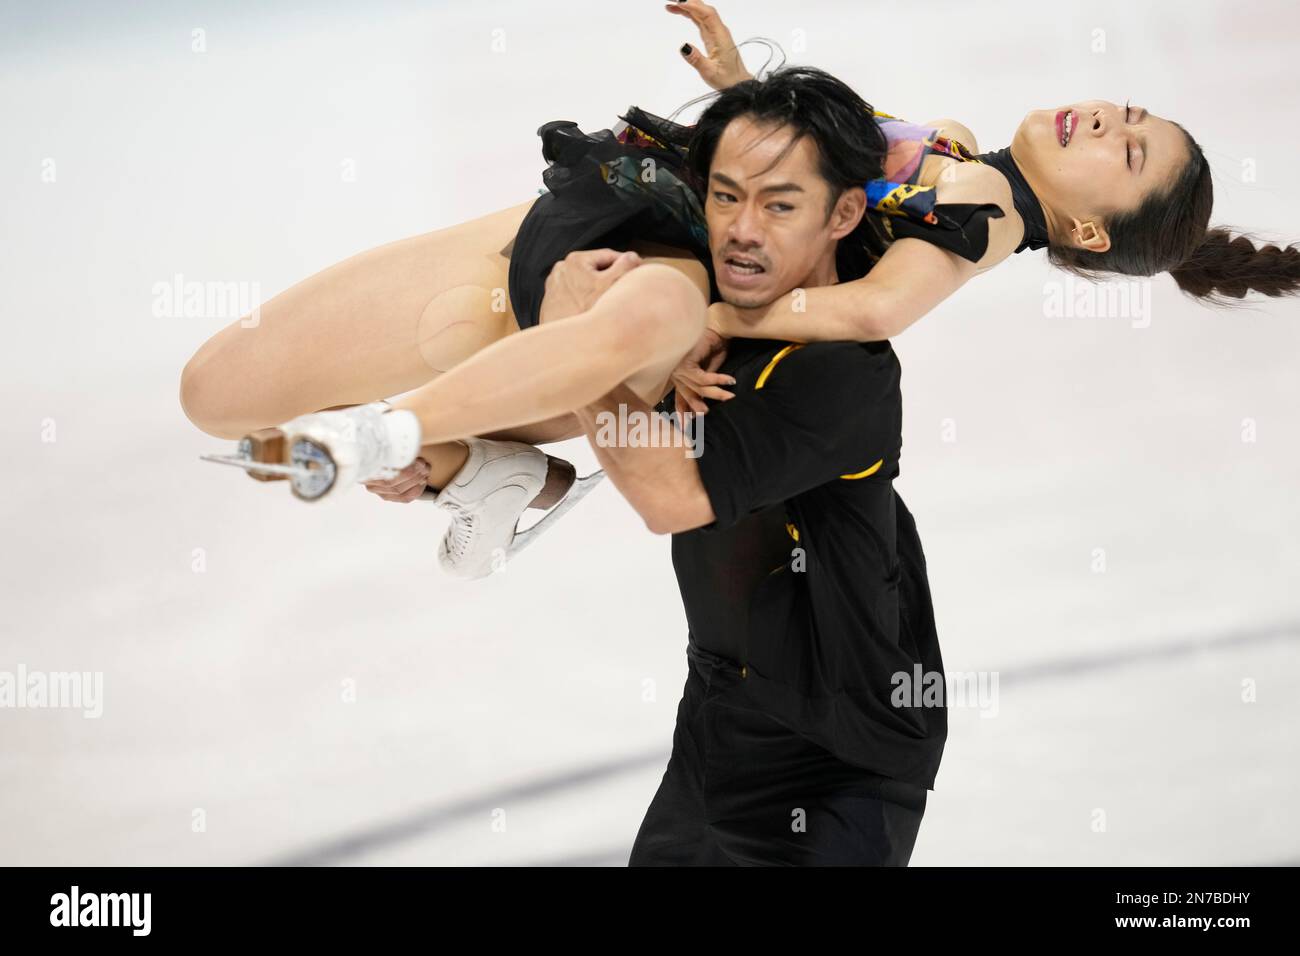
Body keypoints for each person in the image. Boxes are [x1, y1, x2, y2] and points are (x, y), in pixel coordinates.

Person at [180, 1, 1298, 578]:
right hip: (614, 201)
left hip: (673, 271)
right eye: (1128, 110)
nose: (1107, 117)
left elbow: (870, 309)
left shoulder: (989, 219)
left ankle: (392, 438)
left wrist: (705, 316)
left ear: (1092, 226)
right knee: (214, 394)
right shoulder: (957, 145)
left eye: (1128, 148)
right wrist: (737, 80)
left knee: (642, 310)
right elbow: (824, 148)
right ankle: (495, 466)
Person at [560, 69, 943, 865]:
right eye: (726, 196)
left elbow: (668, 495)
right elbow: (595, 420)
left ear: (843, 213)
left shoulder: (840, 373)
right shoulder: (714, 321)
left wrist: (586, 338)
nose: (742, 228)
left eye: (778, 205)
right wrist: (449, 458)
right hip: (719, 717)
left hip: (835, 761)